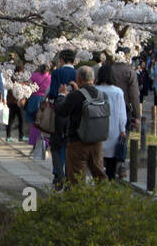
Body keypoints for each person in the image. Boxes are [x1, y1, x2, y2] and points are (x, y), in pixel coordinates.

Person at [55, 65, 109, 183]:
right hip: (97, 141)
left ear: (78, 79)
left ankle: (78, 200)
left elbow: (61, 111)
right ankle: (105, 199)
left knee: (77, 178)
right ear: (93, 79)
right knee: (99, 174)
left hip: (77, 142)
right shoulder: (102, 95)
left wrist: (61, 95)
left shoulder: (75, 96)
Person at [47, 50, 78, 187]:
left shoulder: (57, 73)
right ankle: (67, 174)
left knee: (56, 143)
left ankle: (58, 174)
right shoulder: (78, 73)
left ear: (62, 59)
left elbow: (53, 93)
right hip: (74, 113)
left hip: (59, 111)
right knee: (68, 144)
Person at [96, 77, 127, 180]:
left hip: (98, 128)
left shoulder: (95, 90)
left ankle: (99, 183)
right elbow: (122, 113)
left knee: (98, 158)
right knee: (111, 159)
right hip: (114, 128)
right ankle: (110, 181)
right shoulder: (118, 92)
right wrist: (122, 129)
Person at [26, 61, 51, 157]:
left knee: (34, 123)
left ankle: (33, 146)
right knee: (44, 124)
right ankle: (45, 146)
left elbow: (29, 85)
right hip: (45, 101)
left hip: (33, 100)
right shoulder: (50, 77)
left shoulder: (34, 75)